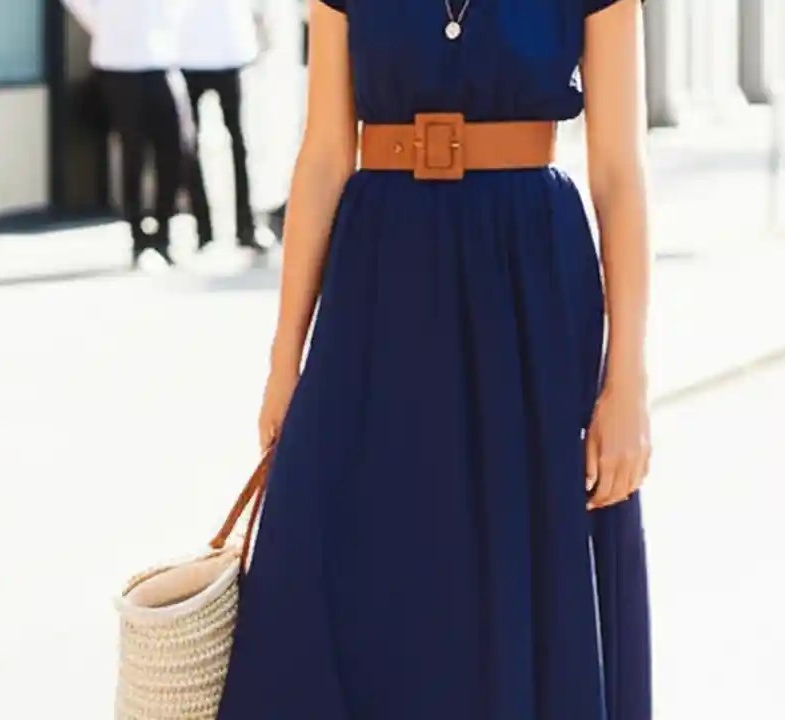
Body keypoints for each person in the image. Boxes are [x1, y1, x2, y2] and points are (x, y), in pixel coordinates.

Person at [216, 0, 652, 717]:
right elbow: (325, 152)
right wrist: (285, 354)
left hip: (527, 295)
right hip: (376, 289)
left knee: (513, 576)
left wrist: (627, 378)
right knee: (345, 566)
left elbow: (618, 170)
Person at [61, 0, 192, 267]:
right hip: (118, 63)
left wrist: (167, 21)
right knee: (133, 151)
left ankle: (163, 233)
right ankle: (137, 235)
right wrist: (105, 27)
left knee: (172, 149)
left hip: (159, 59)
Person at [177, 0, 264, 254]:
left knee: (239, 143)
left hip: (230, 51)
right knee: (189, 146)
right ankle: (203, 229)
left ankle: (246, 227)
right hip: (187, 53)